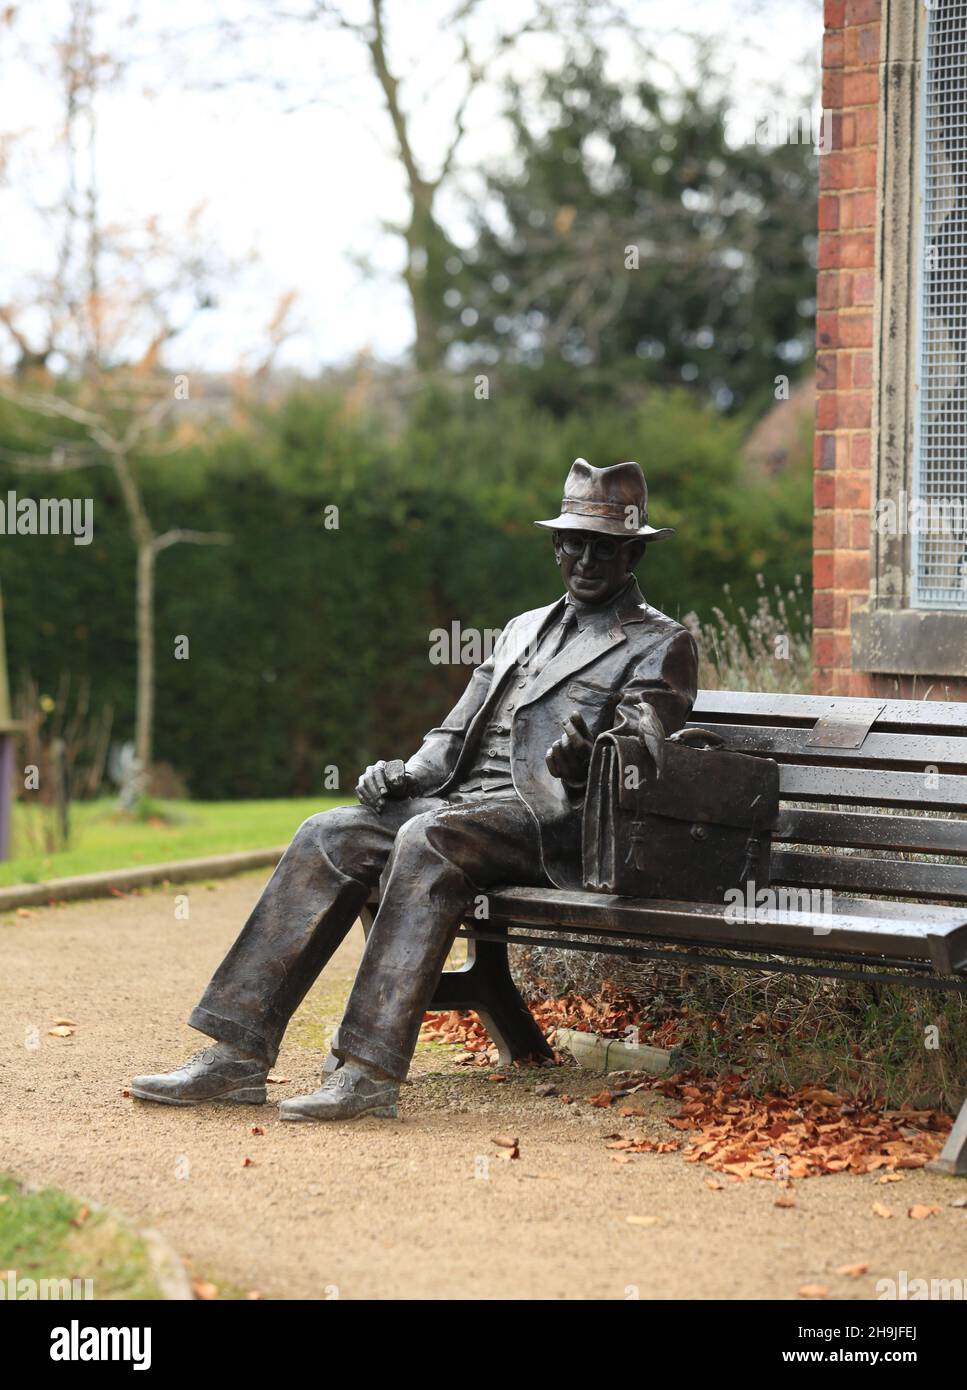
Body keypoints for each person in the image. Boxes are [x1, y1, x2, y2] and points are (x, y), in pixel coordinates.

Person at [131, 459, 698, 1120]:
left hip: (552, 823)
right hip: (462, 809)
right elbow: (453, 734)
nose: (587, 558)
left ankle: (367, 1071)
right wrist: (403, 773)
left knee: (426, 838)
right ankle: (235, 1055)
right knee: (328, 833)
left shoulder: (661, 643)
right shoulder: (521, 628)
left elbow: (642, 747)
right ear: (555, 546)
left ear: (633, 551)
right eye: (574, 542)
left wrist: (586, 762)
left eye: (605, 546)